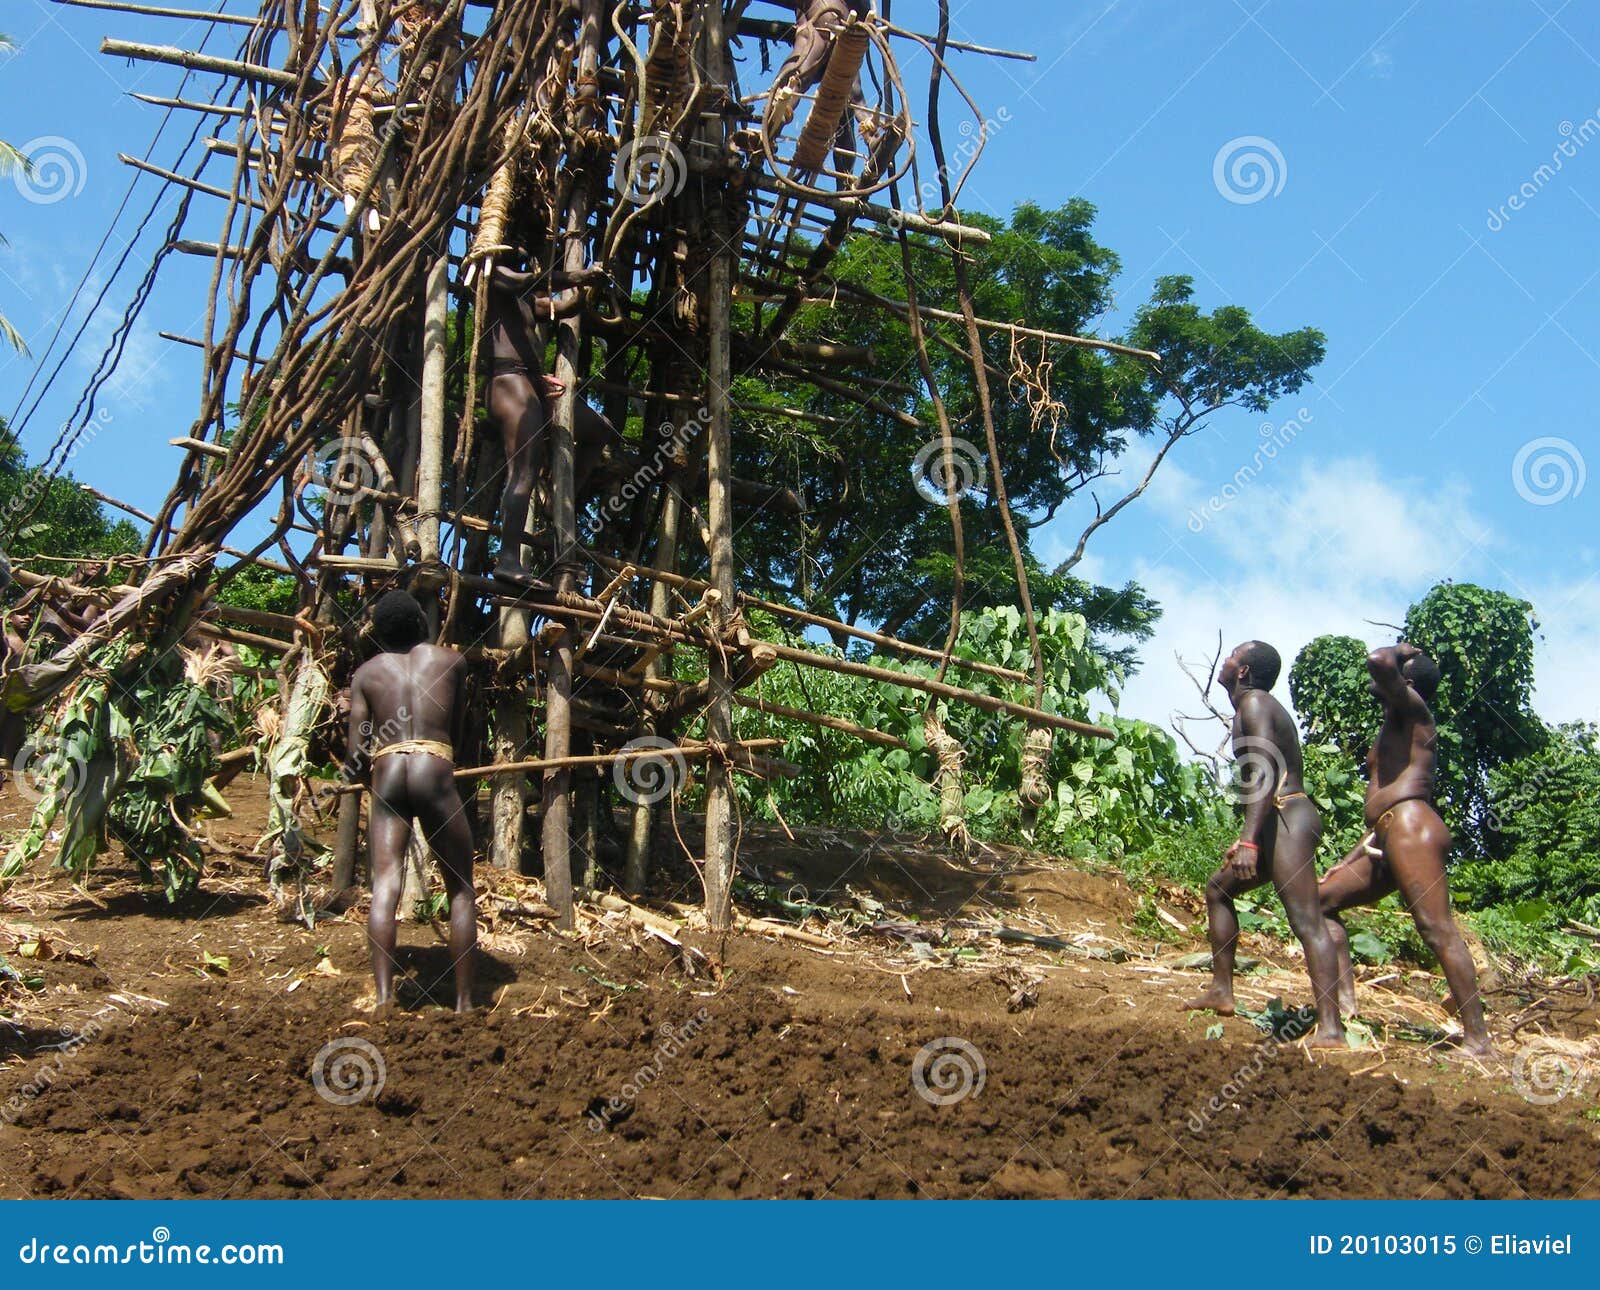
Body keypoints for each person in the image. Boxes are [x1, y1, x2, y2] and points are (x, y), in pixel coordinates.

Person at [1318, 644, 1494, 1056]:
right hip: (1386, 834)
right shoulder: (1393, 719)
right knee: (1321, 900)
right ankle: (1346, 1008)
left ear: (1406, 683)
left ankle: (1479, 1040)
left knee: (1435, 928)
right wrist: (1348, 860)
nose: (1376, 681)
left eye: (1393, 676)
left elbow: (1378, 660)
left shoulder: (1414, 709)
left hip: (1411, 828)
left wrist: (1402, 649)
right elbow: (1382, 811)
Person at [1182, 640, 1347, 1048]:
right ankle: (1222, 991)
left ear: (1243, 672)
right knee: (1219, 889)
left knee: (1306, 920)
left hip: (1288, 815)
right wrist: (1249, 836)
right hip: (1276, 818)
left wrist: (1249, 841)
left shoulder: (1255, 704)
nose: (1225, 660)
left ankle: (1331, 1028)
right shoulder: (1248, 708)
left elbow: (1264, 775)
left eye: (1232, 655)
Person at [347, 590, 476, 1012]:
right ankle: (463, 1003)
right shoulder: (450, 662)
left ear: (381, 634)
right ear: (423, 625)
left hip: (387, 773)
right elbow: (457, 733)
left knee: (385, 886)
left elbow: (356, 754)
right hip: (433, 768)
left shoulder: (366, 675)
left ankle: (385, 999)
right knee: (459, 888)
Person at [485, 262, 621, 580]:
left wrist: (591, 284)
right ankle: (507, 560)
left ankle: (560, 500)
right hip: (508, 381)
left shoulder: (531, 300)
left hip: (532, 382)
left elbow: (568, 306)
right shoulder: (498, 277)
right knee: (524, 471)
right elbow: (525, 280)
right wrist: (577, 276)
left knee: (601, 429)